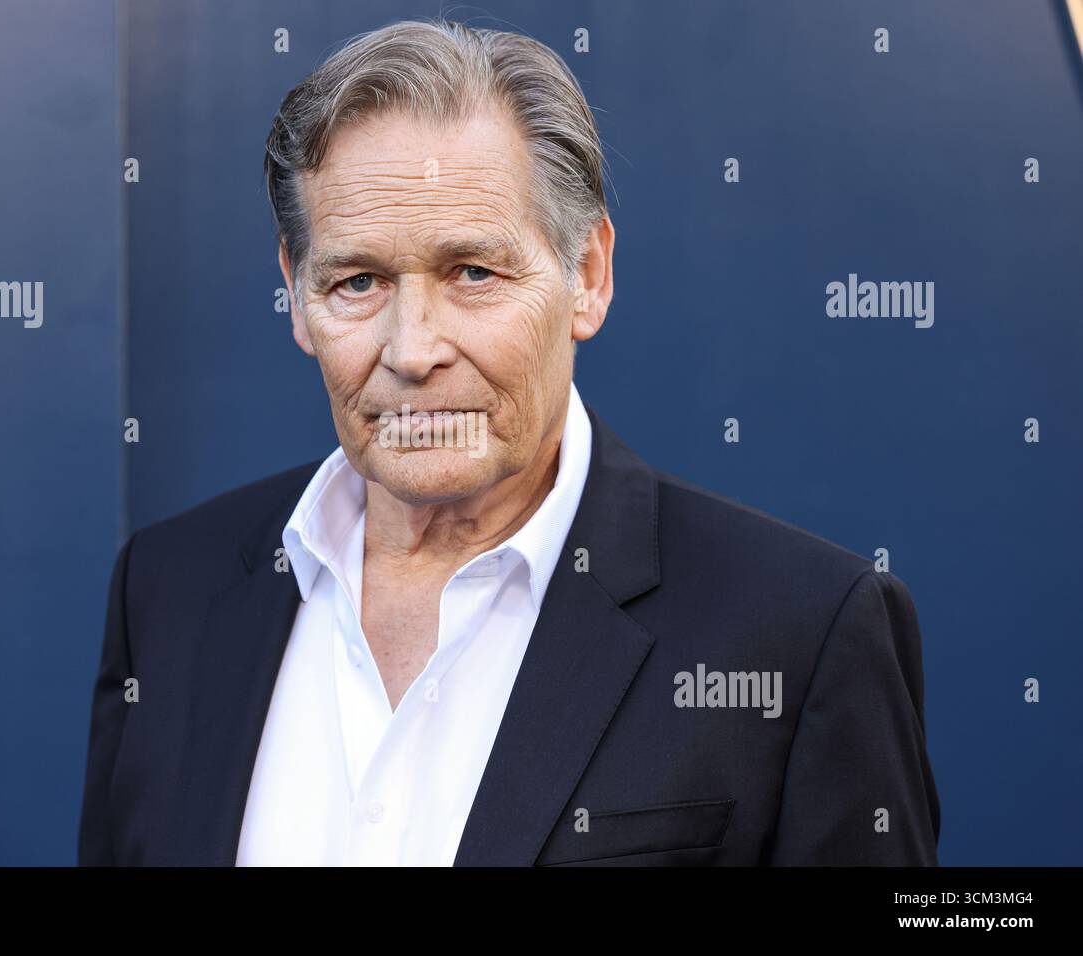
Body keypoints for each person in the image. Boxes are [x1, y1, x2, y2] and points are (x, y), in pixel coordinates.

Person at [78, 19, 939, 866]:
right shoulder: (166, 593)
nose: (413, 350)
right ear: (296, 298)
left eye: (474, 273)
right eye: (358, 281)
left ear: (587, 278)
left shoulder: (803, 631)